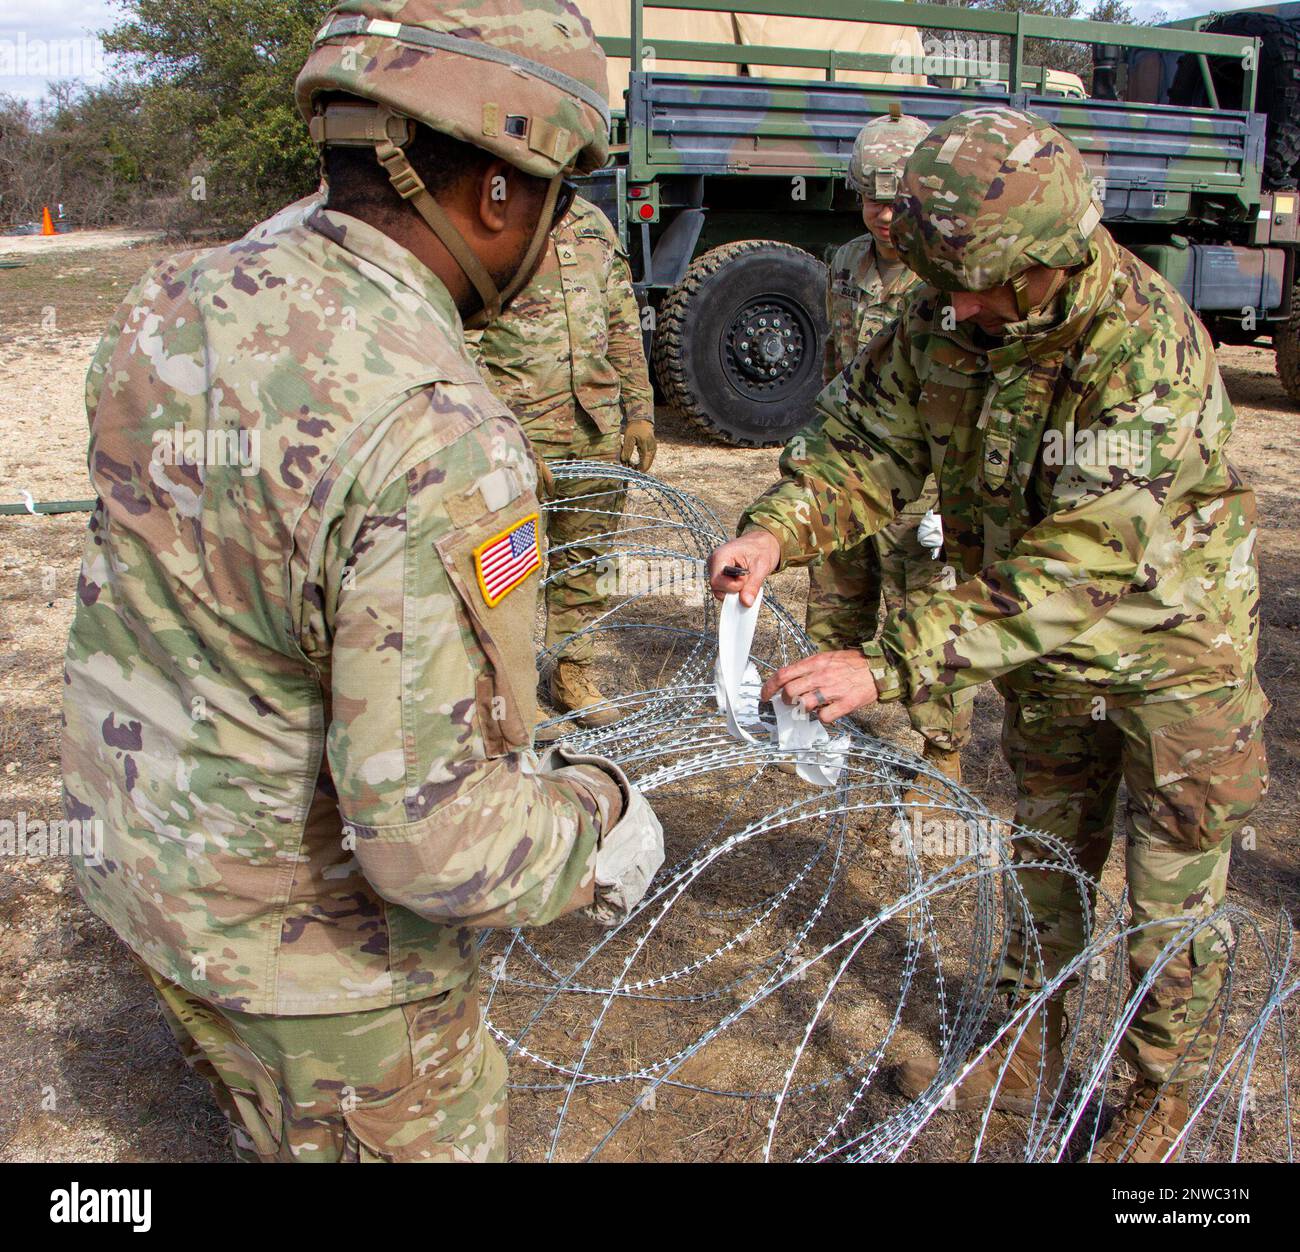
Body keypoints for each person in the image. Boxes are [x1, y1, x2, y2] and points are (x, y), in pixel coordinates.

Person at [61, 0, 663, 1163]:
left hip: (147, 875)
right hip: (319, 962)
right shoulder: (436, 432)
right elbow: (430, 843)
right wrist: (600, 823)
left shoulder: (168, 303)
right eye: (555, 193)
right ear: (499, 193)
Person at [707, 106, 1268, 1163]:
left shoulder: (1141, 345)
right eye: (943, 280)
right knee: (1044, 864)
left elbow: (1091, 559)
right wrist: (775, 531)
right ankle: (1023, 1045)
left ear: (1050, 258)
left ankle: (1150, 1101)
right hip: (1040, 660)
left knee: (1169, 908)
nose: (955, 306)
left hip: (1172, 667)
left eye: (979, 284)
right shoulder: (949, 314)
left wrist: (891, 661)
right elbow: (867, 435)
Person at [810, 108, 973, 793]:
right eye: (873, 200)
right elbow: (834, 362)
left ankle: (942, 751)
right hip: (855, 470)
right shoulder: (845, 264)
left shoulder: (947, 275)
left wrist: (957, 499)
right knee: (837, 601)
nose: (884, 216)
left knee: (926, 619)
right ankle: (822, 721)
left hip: (926, 486)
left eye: (896, 200)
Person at [468, 193, 656, 728]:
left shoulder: (593, 224)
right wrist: (500, 433)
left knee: (586, 559)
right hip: (517, 434)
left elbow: (622, 321)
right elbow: (461, 340)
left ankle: (572, 674)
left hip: (595, 427)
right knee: (505, 567)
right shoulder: (496, 218)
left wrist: (638, 412)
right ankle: (502, 688)